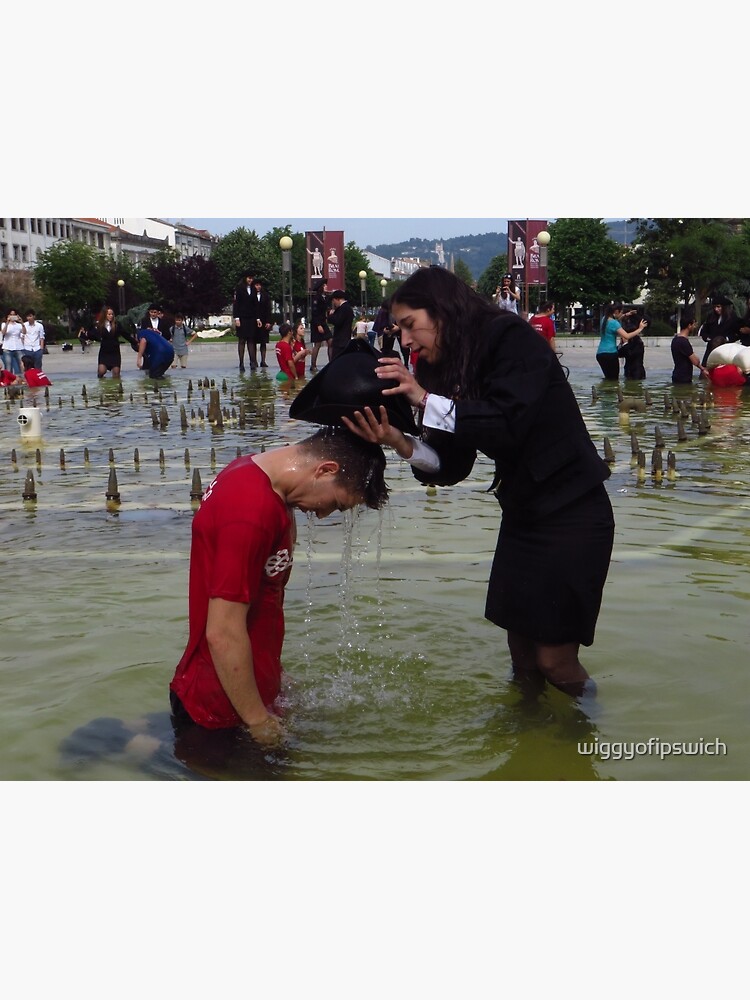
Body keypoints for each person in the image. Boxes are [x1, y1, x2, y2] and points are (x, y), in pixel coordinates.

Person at [341, 266, 615, 699]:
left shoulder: (511, 338)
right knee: (521, 654)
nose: (406, 340)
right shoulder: (441, 367)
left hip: (574, 514)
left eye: (411, 325)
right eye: (400, 330)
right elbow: (452, 465)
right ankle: (523, 739)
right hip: (523, 515)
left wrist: (425, 400)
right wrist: (398, 439)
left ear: (444, 309)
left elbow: (507, 424)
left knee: (554, 660)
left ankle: (587, 737)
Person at [168, 429, 389, 746]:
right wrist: (258, 722)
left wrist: (275, 677)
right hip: (220, 712)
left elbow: (262, 603)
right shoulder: (250, 510)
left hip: (243, 695)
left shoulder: (256, 477)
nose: (325, 514)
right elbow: (223, 632)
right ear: (326, 470)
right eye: (336, 504)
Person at [596, 303, 648, 380]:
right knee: (614, 380)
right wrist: (640, 329)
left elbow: (617, 318)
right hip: (610, 354)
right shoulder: (614, 323)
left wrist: (627, 314)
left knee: (608, 378)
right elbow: (626, 336)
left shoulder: (604, 319)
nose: (622, 314)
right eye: (621, 312)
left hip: (600, 354)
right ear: (617, 311)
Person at [89, 306, 133, 379]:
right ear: (105, 315)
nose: (111, 316)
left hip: (114, 352)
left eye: (112, 314)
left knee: (116, 373)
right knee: (101, 371)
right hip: (104, 352)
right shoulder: (100, 325)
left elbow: (125, 334)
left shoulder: (117, 325)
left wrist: (135, 342)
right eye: (109, 314)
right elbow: (92, 334)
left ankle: (115, 388)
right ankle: (102, 386)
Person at [699, 295, 740, 367]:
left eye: (718, 307)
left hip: (726, 349)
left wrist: (726, 339)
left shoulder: (732, 317)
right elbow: (704, 331)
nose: (716, 309)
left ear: (724, 307)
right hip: (711, 348)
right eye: (714, 307)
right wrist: (709, 338)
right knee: (706, 369)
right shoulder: (711, 317)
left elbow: (737, 333)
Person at [671, 311, 708, 383]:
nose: (694, 327)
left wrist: (702, 369)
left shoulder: (675, 339)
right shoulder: (683, 342)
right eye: (694, 325)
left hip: (676, 374)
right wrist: (703, 368)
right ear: (689, 325)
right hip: (684, 377)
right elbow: (695, 361)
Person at [232, 270, 256, 372]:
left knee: (251, 340)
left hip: (251, 317)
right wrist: (236, 318)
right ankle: (241, 363)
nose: (250, 280)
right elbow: (236, 304)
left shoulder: (253, 289)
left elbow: (255, 305)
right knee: (242, 340)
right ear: (245, 278)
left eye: (252, 278)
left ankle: (252, 362)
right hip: (242, 317)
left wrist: (257, 318)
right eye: (249, 278)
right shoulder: (240, 289)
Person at [250, 277, 273, 368]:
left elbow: (268, 309)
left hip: (264, 321)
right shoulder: (251, 295)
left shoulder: (265, 296)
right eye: (256, 285)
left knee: (263, 342)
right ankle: (254, 361)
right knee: (253, 341)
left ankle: (263, 361)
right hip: (254, 321)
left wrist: (268, 321)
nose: (258, 287)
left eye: (259, 285)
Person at [309, 278, 331, 372]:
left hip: (323, 322)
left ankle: (331, 362)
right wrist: (318, 325)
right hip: (317, 323)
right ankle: (313, 365)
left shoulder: (324, 297)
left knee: (330, 341)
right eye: (324, 285)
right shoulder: (316, 298)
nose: (326, 286)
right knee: (317, 344)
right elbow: (315, 313)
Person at [328, 289, 355, 360]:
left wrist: (331, 316)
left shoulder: (343, 308)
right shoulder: (348, 307)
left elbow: (338, 321)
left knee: (337, 360)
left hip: (340, 341)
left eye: (334, 301)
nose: (334, 303)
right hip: (345, 339)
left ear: (337, 299)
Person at [1, 309, 26, 375]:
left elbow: (24, 332)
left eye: (14, 315)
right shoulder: (4, 324)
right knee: (8, 366)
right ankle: (9, 380)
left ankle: (23, 379)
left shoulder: (18, 325)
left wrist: (22, 323)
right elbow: (3, 332)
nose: (12, 316)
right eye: (11, 315)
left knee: (22, 364)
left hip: (18, 347)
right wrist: (7, 322)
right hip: (8, 347)